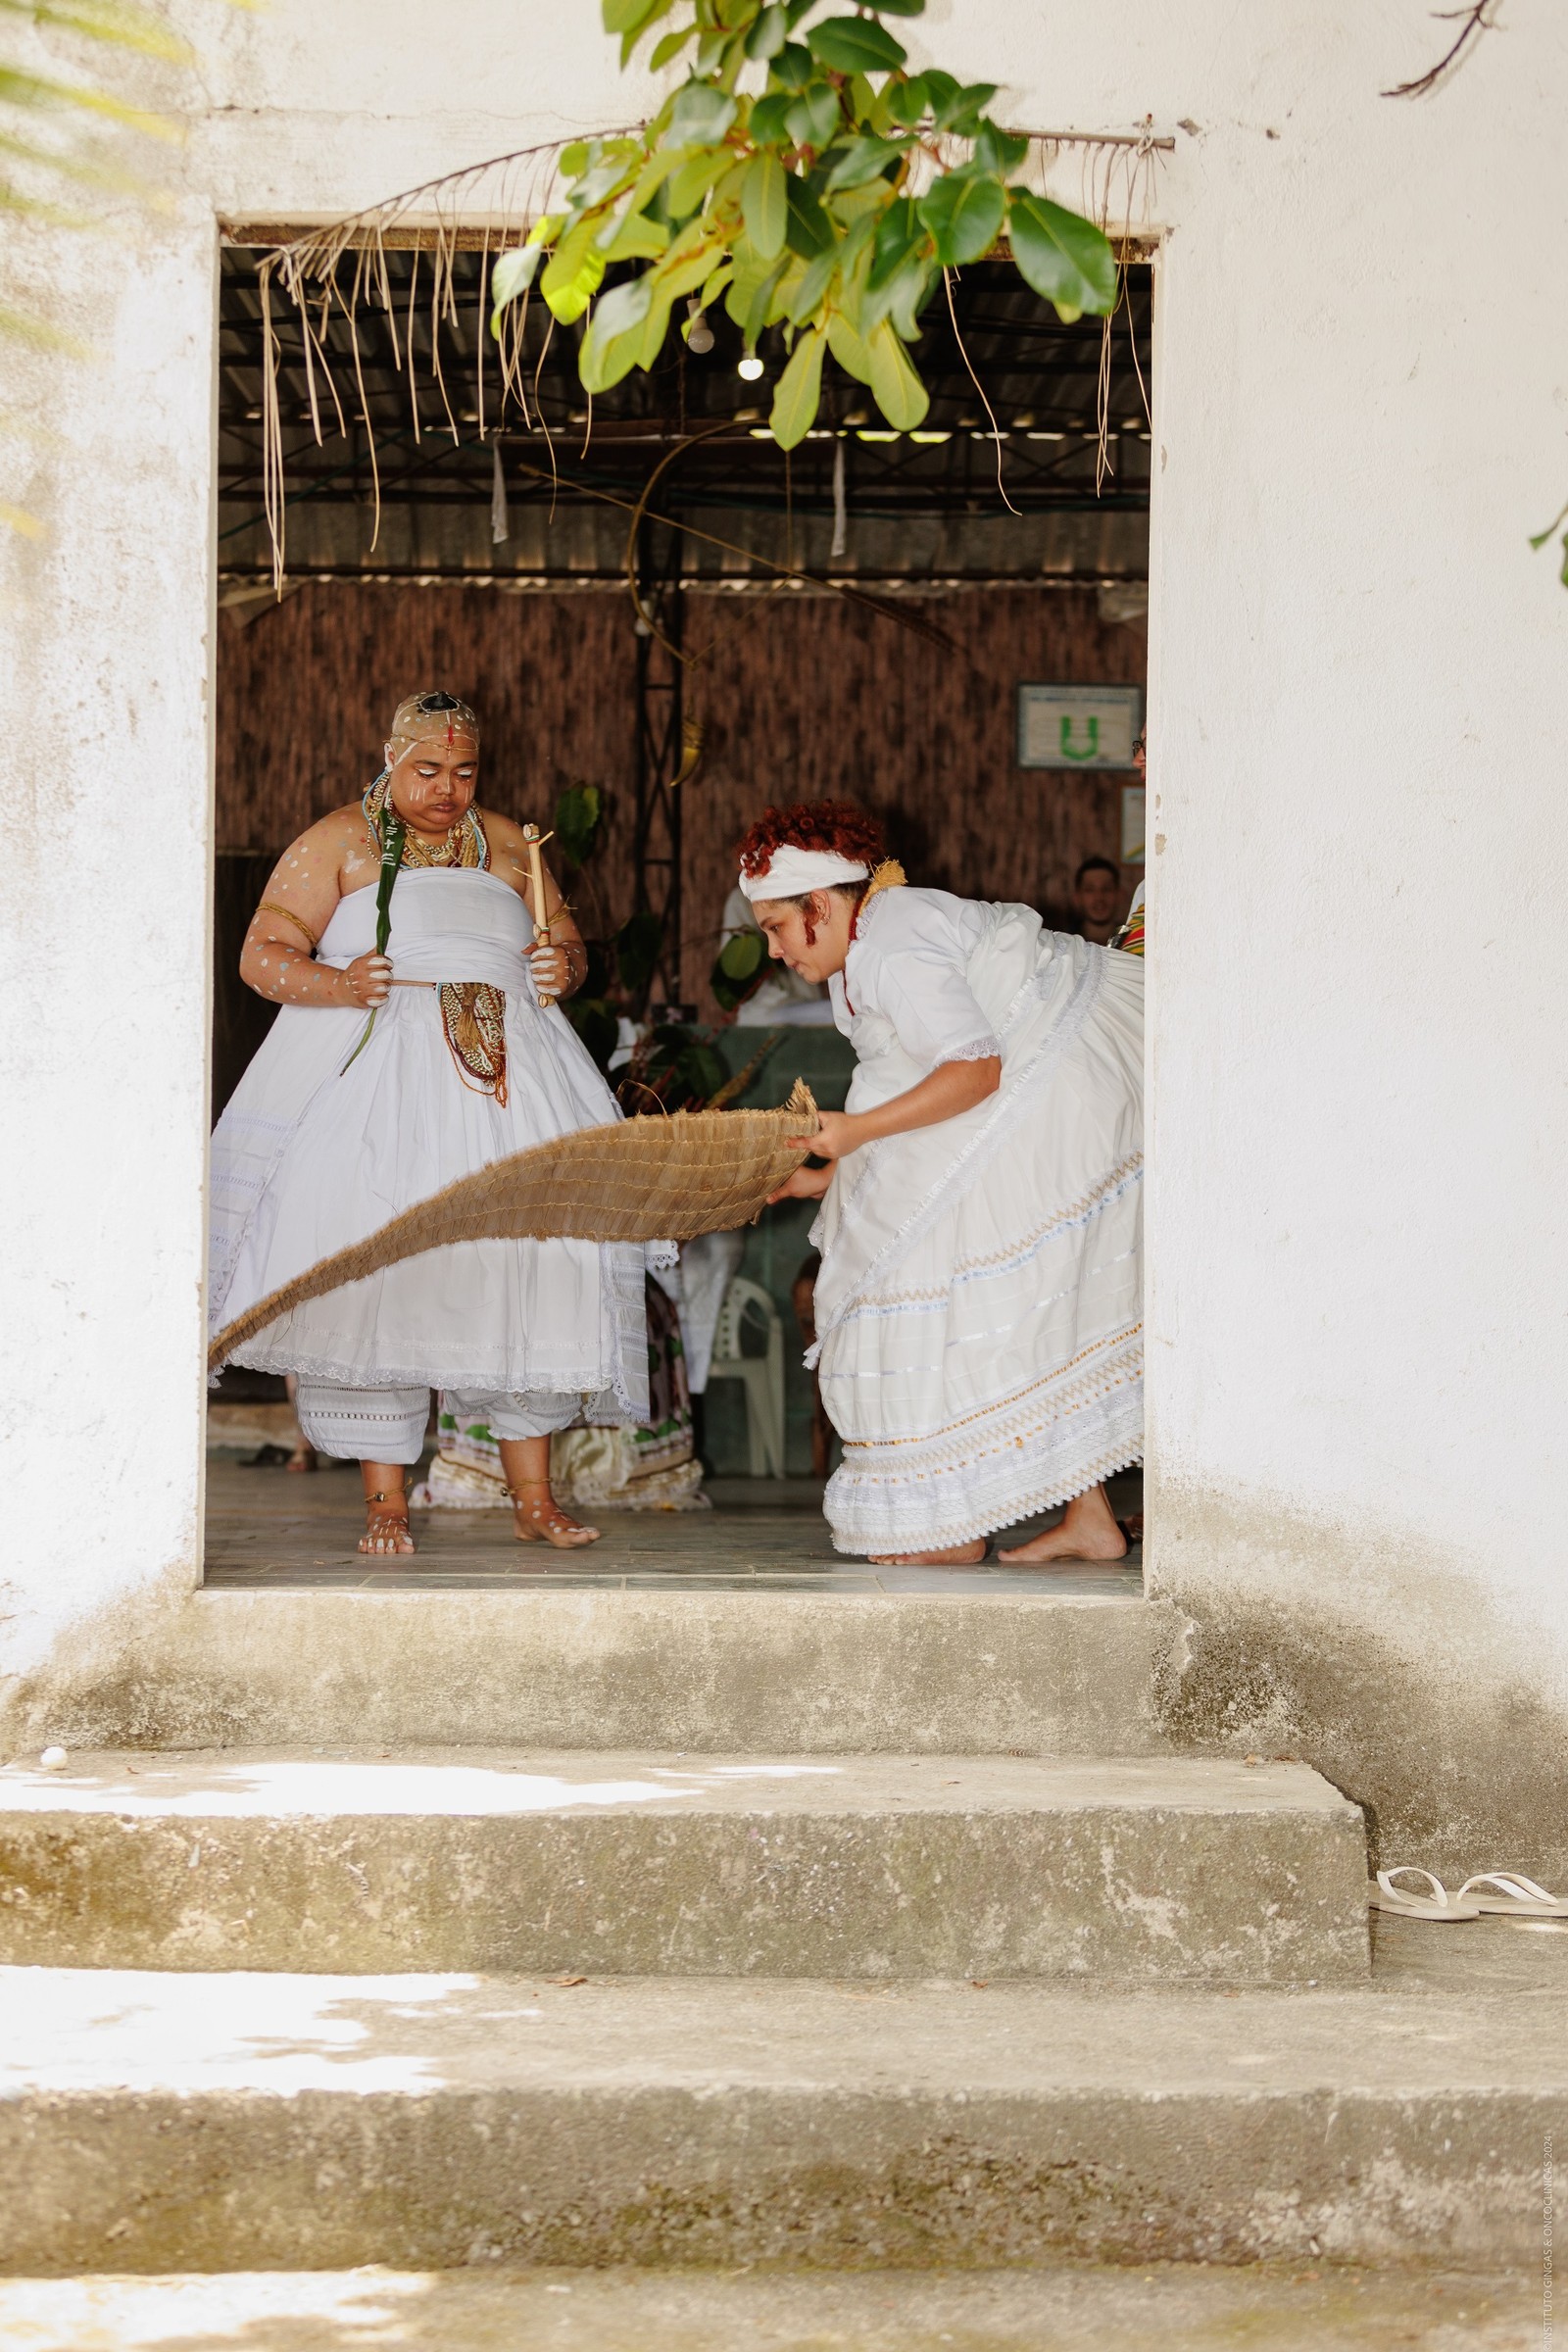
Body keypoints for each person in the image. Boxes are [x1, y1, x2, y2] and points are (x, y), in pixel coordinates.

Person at [207, 690, 649, 1558]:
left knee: (537, 1255)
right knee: (383, 1260)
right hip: (381, 1077)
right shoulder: (339, 839)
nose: (447, 788)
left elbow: (568, 948)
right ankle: (386, 1504)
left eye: (464, 771)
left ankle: (534, 1498)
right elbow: (261, 956)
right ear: (389, 756)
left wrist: (563, 964)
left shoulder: (514, 843)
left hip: (514, 1072)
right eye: (427, 770)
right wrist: (338, 985)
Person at [753, 801, 1143, 1566]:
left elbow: (975, 1070)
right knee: (1023, 1294)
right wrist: (826, 1175)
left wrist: (853, 1134)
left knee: (988, 1288)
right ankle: (1089, 1517)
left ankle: (953, 1525)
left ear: (821, 907)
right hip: (1031, 1091)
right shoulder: (860, 951)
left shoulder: (890, 947)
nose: (772, 950)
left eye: (775, 927)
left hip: (1058, 1091)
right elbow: (907, 1087)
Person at [1071, 854, 1124, 946]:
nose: (1099, 897)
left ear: (1119, 895)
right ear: (1077, 897)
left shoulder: (1134, 943)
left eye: (1107, 888)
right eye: (1089, 889)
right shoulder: (1064, 943)